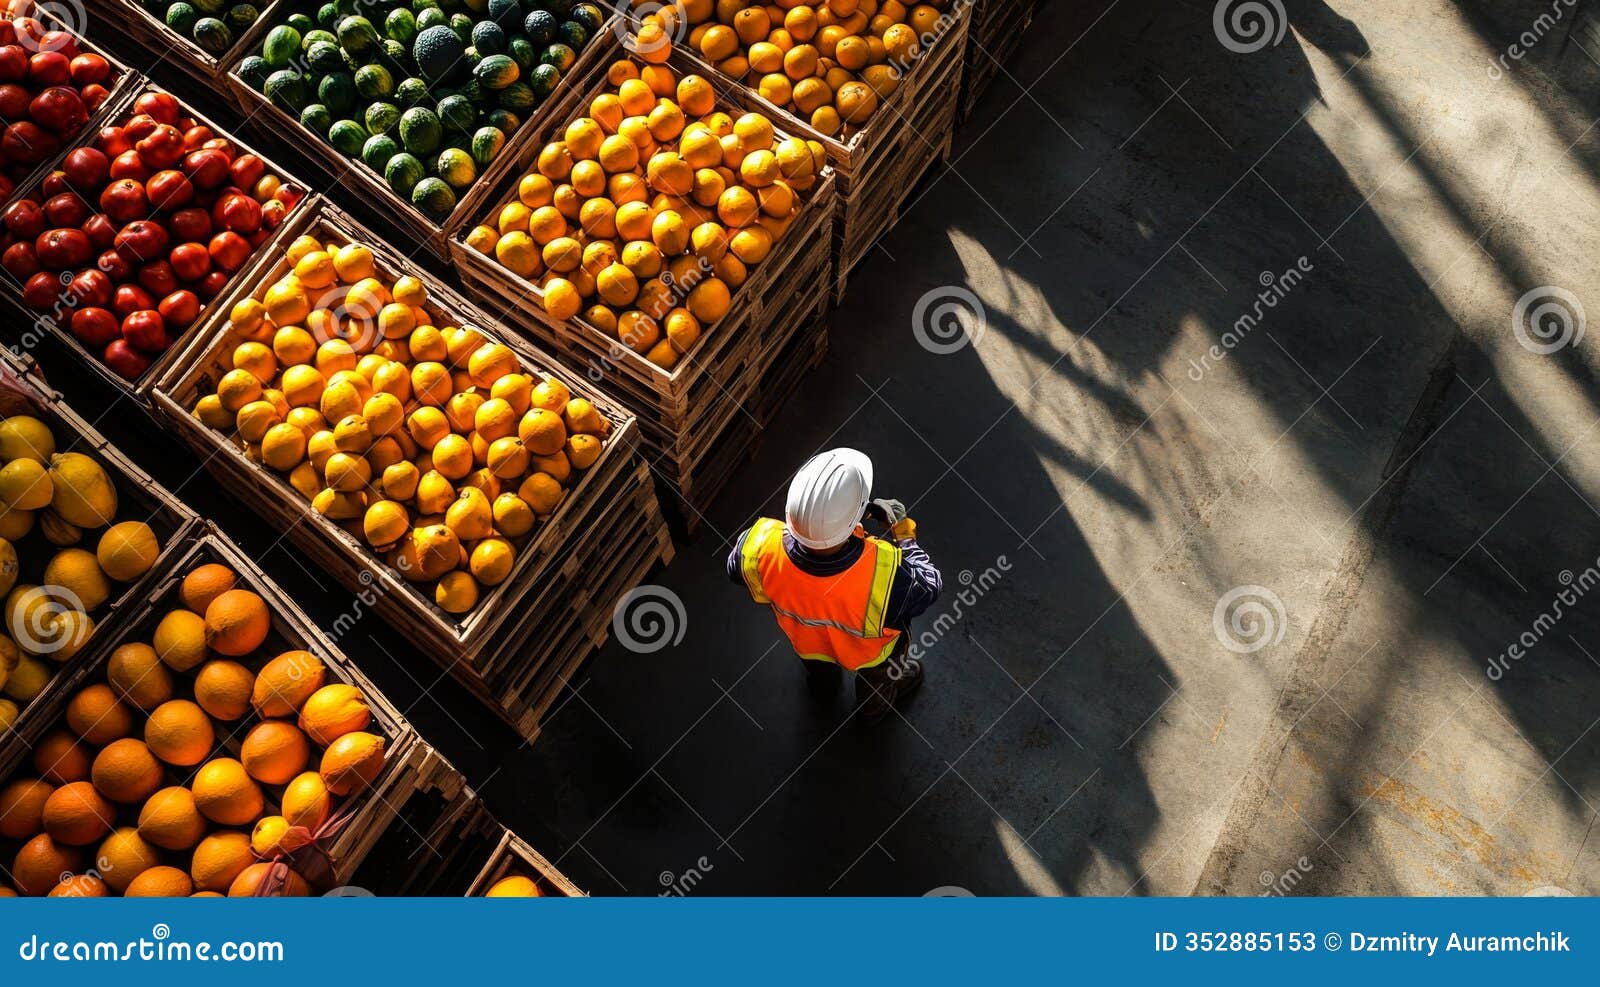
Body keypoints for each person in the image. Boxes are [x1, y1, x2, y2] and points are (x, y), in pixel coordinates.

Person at [727, 448, 943, 723]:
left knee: (819, 670)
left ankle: (824, 687)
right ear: (855, 517)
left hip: (809, 645)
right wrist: (904, 534)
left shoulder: (758, 546)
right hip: (872, 656)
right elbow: (930, 585)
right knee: (879, 677)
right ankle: (872, 708)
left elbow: (735, 570)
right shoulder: (885, 571)